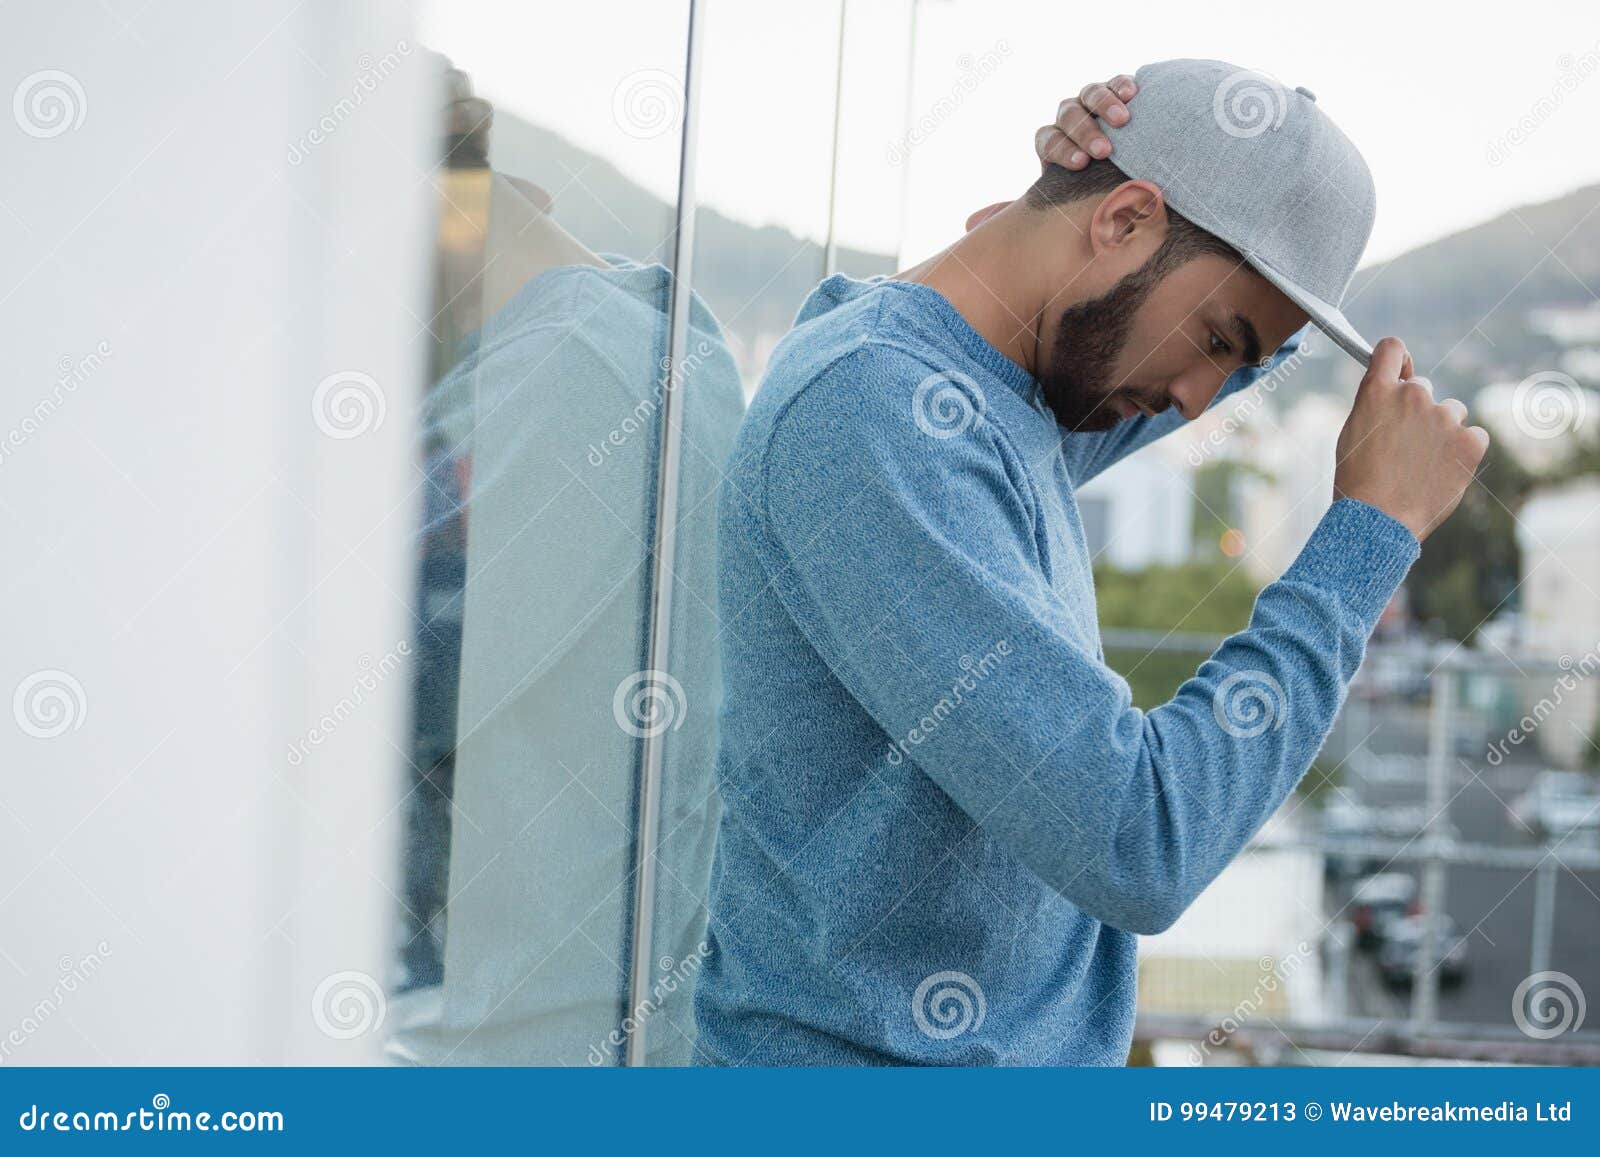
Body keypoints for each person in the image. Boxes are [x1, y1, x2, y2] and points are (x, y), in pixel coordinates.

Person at [693, 59, 1488, 1065]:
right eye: (1212, 340)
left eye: (1233, 366)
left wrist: (1071, 205)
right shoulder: (876, 412)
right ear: (1121, 219)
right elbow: (1137, 839)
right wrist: (1367, 536)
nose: (1199, 401)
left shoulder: (1003, 395)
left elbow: (1126, 272)